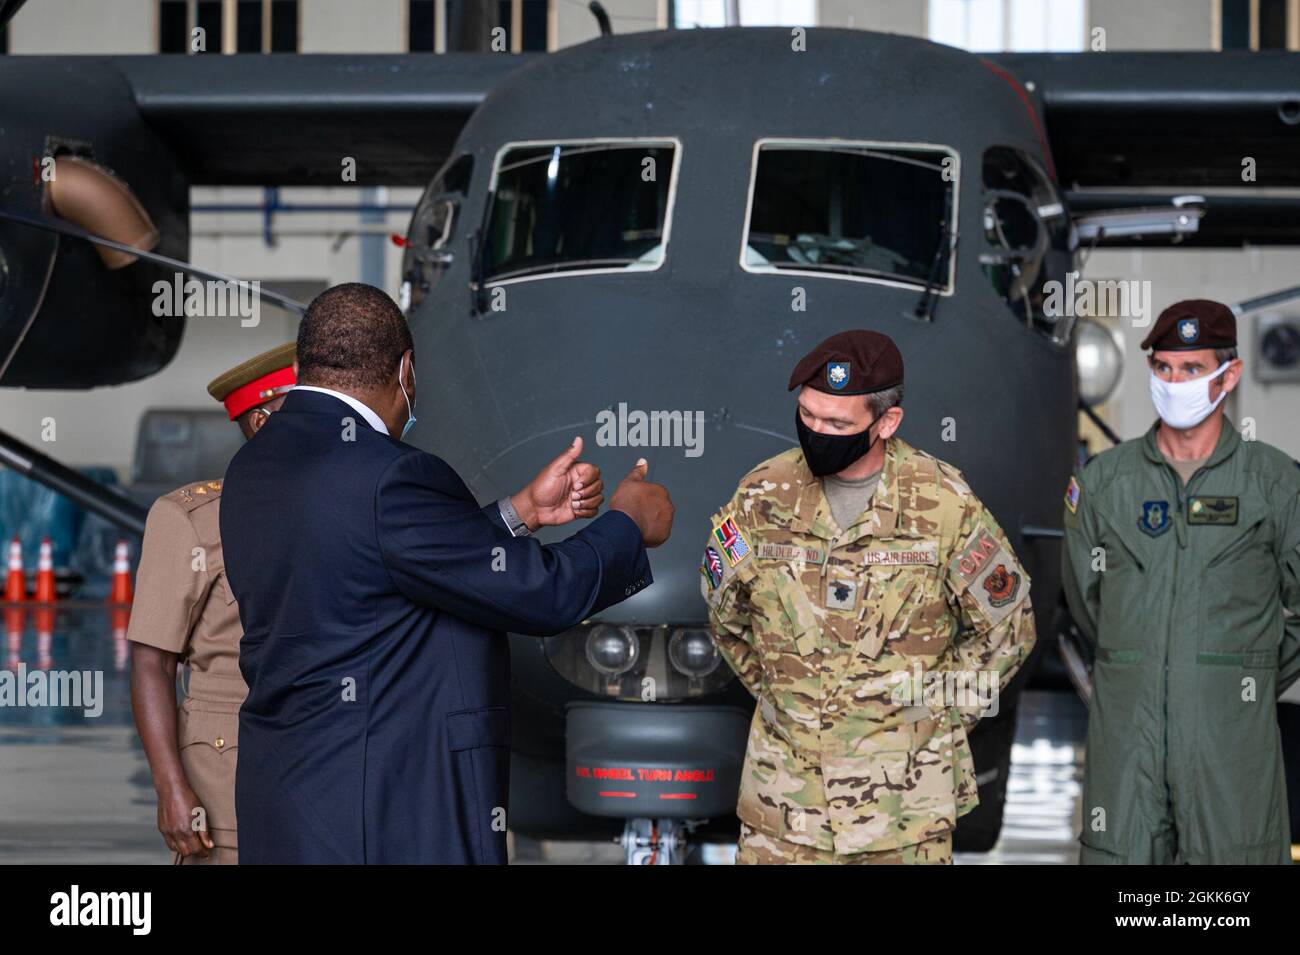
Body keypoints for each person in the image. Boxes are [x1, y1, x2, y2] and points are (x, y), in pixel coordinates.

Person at [219, 283, 674, 864]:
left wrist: (521, 514)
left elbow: (379, 565)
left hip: (289, 802)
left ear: (302, 365)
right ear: (406, 370)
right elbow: (544, 595)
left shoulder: (252, 468)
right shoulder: (391, 475)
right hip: (386, 809)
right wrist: (627, 524)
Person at [703, 329, 1036, 865]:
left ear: (886, 422)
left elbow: (1008, 629)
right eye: (808, 416)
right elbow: (726, 616)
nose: (817, 432)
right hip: (784, 810)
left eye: (837, 424)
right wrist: (792, 699)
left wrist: (934, 714)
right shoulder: (762, 494)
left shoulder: (943, 502)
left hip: (903, 814)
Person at [1063, 299, 1300, 864]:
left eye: (1191, 369)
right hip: (1128, 745)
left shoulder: (1275, 484)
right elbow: (1085, 598)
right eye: (1163, 368)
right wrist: (1137, 660)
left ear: (1229, 376)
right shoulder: (1102, 485)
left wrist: (1246, 669)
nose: (1174, 383)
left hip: (1231, 746)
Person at [128, 341, 297, 864]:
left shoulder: (340, 507)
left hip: (320, 758)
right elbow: (152, 661)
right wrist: (170, 788)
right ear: (263, 423)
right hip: (224, 769)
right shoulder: (192, 520)